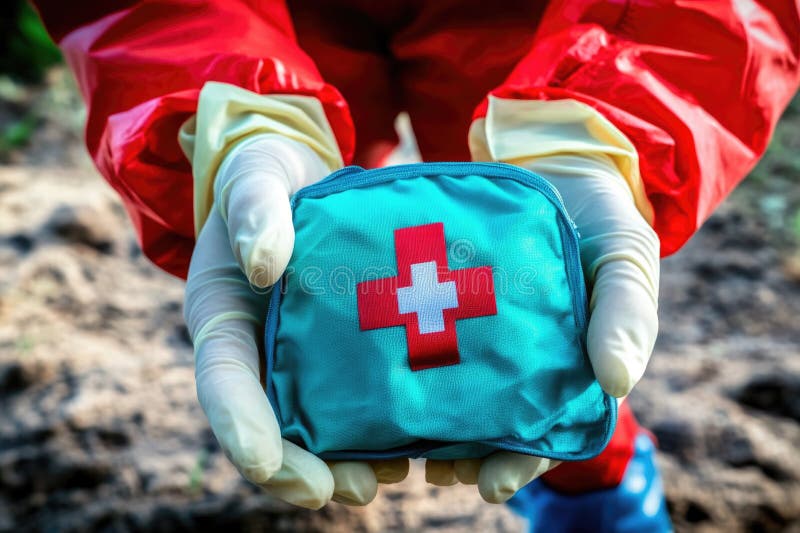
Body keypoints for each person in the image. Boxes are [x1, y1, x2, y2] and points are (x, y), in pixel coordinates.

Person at [32, 1, 800, 530]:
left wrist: (610, 111)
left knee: (541, 296)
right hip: (268, 16)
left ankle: (597, 492)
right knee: (309, 249)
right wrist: (223, 108)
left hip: (546, 18)